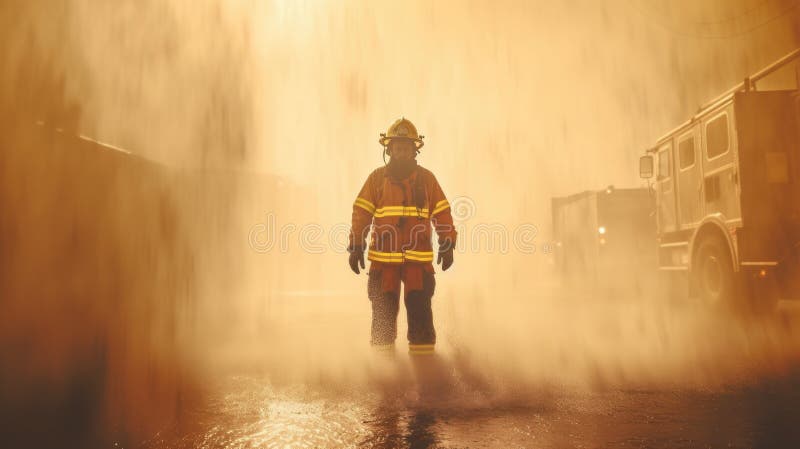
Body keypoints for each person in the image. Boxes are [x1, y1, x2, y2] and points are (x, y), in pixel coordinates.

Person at [348, 118, 457, 357]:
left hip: (418, 264)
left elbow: (441, 212)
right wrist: (356, 244)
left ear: (414, 149)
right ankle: (384, 372)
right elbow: (362, 212)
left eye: (407, 147)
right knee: (383, 318)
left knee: (420, 318)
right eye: (398, 147)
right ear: (389, 149)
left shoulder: (427, 180)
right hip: (382, 262)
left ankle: (425, 372)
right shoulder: (376, 179)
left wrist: (447, 242)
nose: (402, 152)